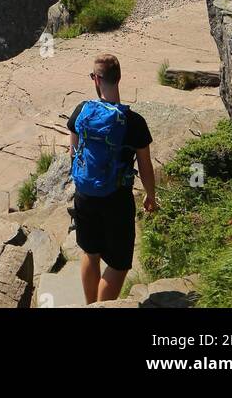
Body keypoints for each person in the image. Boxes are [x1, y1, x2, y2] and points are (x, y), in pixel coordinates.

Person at [68, 54, 156, 305]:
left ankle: (90, 305)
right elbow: (145, 165)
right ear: (119, 78)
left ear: (96, 79)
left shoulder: (80, 111)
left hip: (84, 194)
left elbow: (73, 154)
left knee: (90, 251)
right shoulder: (134, 122)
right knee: (118, 264)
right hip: (117, 199)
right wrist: (150, 195)